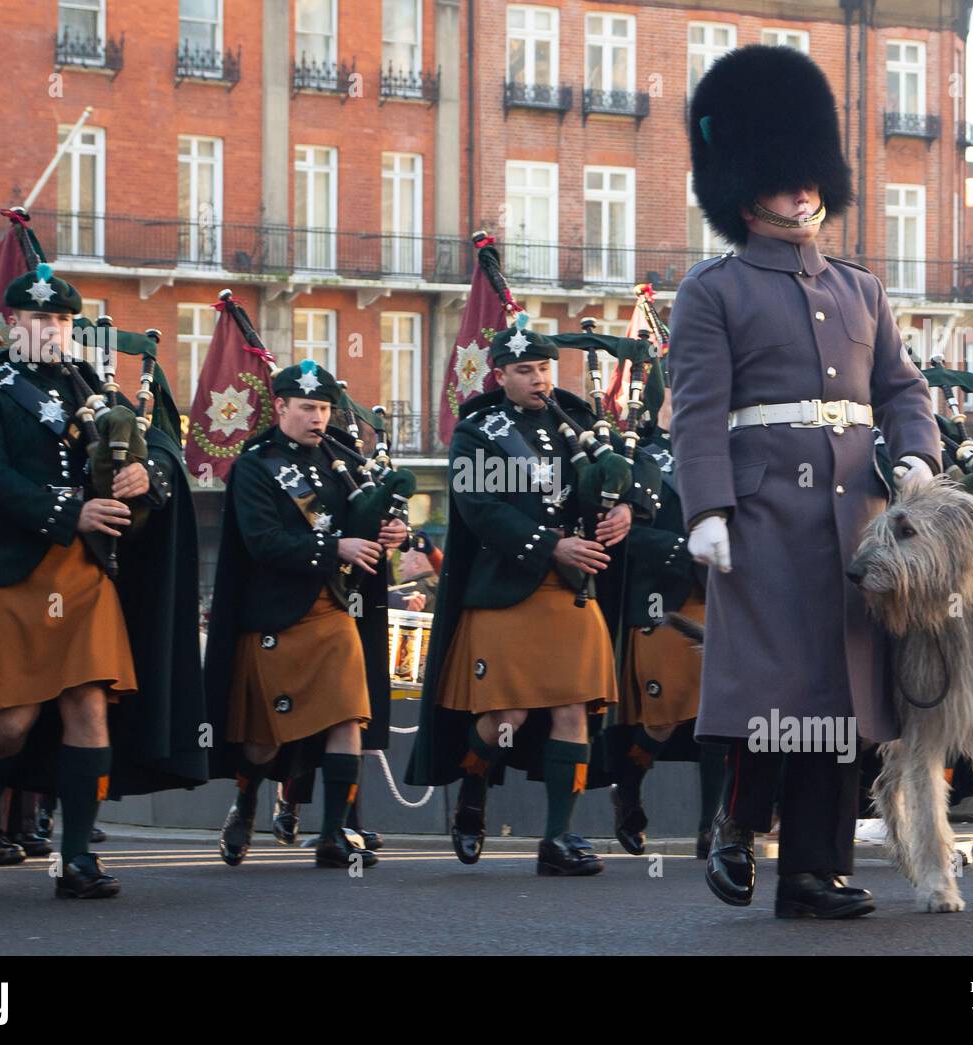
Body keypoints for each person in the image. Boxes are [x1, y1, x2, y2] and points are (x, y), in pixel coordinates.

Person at [676, 45, 942, 918]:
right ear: (747, 190)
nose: (801, 195)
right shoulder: (713, 291)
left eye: (808, 180)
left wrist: (917, 454)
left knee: (846, 696)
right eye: (783, 182)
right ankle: (739, 821)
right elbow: (698, 410)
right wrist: (706, 508)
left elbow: (902, 388)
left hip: (857, 521)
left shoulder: (861, 289)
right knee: (776, 692)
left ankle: (813, 869)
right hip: (764, 518)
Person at [0, 264, 208, 899]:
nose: (53, 330)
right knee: (10, 722)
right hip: (13, 572)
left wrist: (145, 476)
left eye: (64, 320)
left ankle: (76, 860)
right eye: (40, 319)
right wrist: (71, 511)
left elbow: (156, 449)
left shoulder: (91, 384)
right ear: (14, 323)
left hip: (86, 573)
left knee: (88, 706)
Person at [405, 325, 646, 876]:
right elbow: (479, 509)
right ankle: (473, 786)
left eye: (543, 369)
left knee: (573, 707)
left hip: (571, 590)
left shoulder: (578, 420)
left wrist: (626, 508)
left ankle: (559, 838)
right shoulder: (476, 432)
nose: (538, 380)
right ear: (500, 376)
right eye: (523, 371)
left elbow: (623, 476)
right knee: (504, 715)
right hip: (506, 587)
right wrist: (552, 545)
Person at [204, 360, 407, 870]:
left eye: (323, 408)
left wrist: (390, 533)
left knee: (346, 718)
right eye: (308, 408)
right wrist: (336, 545)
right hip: (274, 613)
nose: (318, 418)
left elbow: (367, 523)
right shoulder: (256, 465)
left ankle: (335, 833)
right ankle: (247, 801)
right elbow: (263, 541)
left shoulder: (343, 462)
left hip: (333, 610)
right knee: (260, 741)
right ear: (280, 407)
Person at [597, 359, 728, 859]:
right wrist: (686, 548)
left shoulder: (723, 454)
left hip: (718, 597)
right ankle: (628, 786)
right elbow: (623, 536)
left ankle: (711, 830)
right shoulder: (636, 457)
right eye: (680, 394)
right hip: (660, 602)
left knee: (720, 720)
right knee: (662, 719)